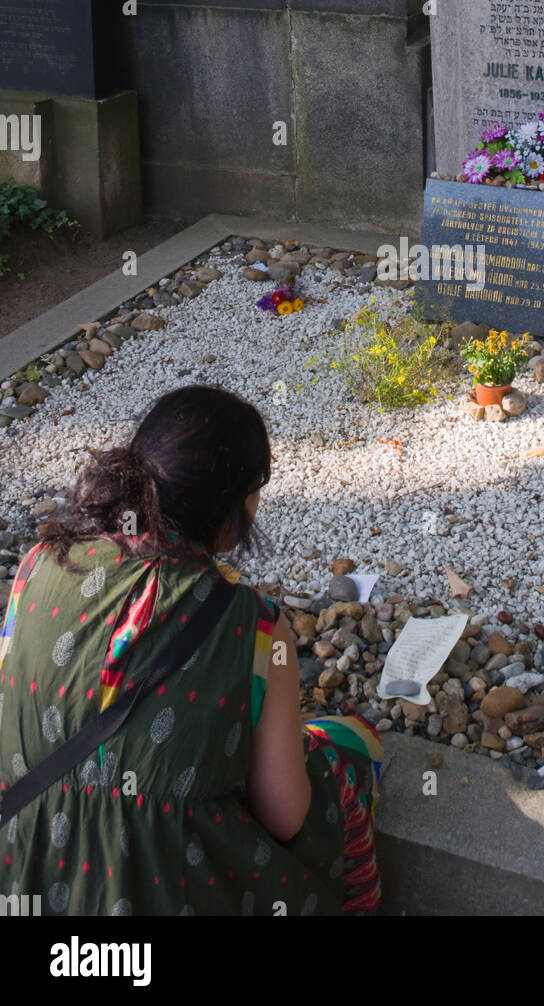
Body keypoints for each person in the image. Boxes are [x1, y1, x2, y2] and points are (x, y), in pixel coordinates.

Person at [0, 384, 383, 916]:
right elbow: (286, 814)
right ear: (235, 507)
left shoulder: (38, 564)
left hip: (23, 866)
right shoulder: (256, 629)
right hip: (165, 883)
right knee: (341, 759)